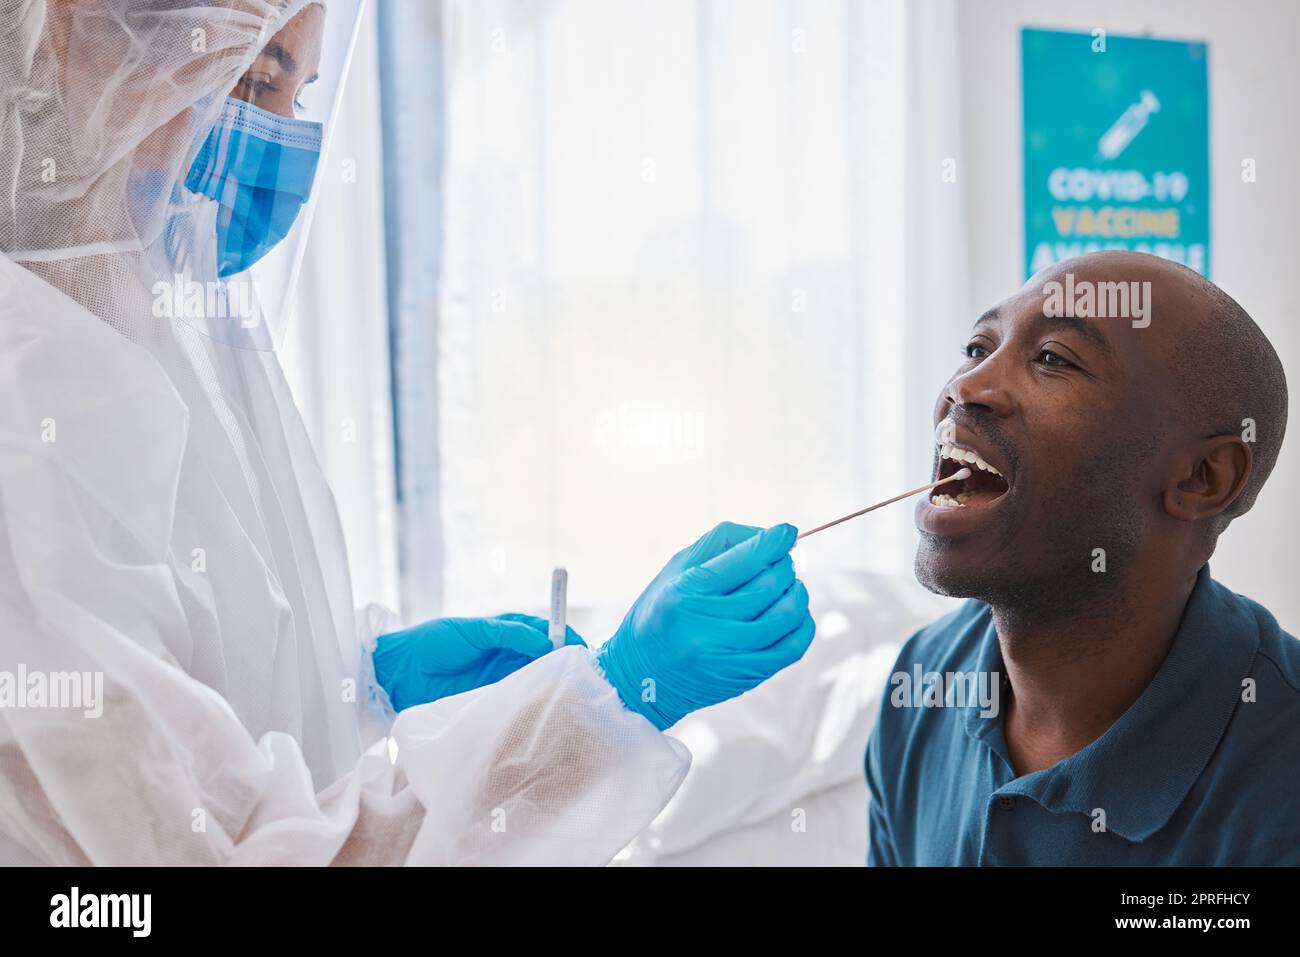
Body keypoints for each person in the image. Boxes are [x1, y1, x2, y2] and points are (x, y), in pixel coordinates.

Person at [0, 0, 814, 865]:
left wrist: (362, 681)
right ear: (70, 35)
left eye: (300, 94)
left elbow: (186, 685)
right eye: (255, 77)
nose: (284, 140)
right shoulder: (30, 408)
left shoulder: (142, 338)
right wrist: (602, 710)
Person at [866, 250, 1300, 865]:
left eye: (1052, 359)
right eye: (975, 349)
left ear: (1203, 478)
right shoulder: (926, 680)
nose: (966, 387)